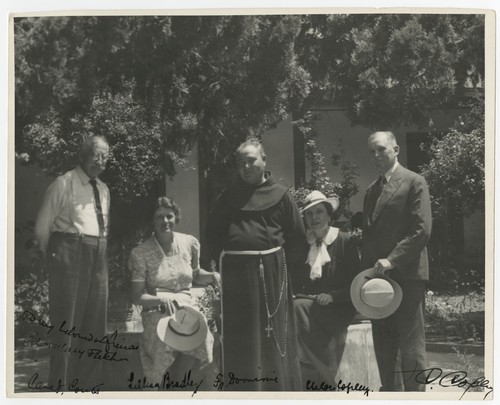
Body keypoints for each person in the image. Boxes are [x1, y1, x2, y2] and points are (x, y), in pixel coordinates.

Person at [205, 138, 306, 391]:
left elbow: (297, 241)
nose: (246, 166)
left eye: (251, 161)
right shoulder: (227, 199)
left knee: (273, 341)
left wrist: (279, 270)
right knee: (242, 342)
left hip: (273, 277)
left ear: (264, 160)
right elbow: (212, 239)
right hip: (236, 280)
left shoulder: (282, 196)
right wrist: (215, 275)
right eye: (240, 163)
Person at [34, 135, 111, 389]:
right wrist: (57, 263)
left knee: (94, 326)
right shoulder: (64, 183)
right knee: (67, 326)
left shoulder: (103, 189)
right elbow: (43, 228)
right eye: (96, 154)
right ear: (83, 155)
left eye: (105, 156)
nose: (101, 160)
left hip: (98, 253)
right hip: (69, 253)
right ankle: (61, 389)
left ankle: (87, 388)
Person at [362, 131, 432, 391]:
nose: (376, 156)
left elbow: (421, 230)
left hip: (407, 275)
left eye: (381, 149)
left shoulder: (414, 182)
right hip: (379, 280)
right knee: (384, 345)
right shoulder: (372, 190)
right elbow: (368, 235)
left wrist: (392, 260)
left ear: (396, 149)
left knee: (411, 346)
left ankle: (416, 397)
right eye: (372, 152)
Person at [129, 197, 219, 389]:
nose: (165, 221)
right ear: (152, 221)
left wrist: (213, 276)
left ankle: (180, 383)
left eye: (169, 216)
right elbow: (137, 296)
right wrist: (160, 299)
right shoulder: (141, 253)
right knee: (165, 341)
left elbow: (195, 275)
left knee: (200, 334)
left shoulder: (189, 243)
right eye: (159, 217)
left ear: (176, 217)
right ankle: (165, 388)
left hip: (187, 307)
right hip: (156, 310)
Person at [294, 191, 360, 388]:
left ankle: (326, 379)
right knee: (295, 306)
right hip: (312, 304)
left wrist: (332, 296)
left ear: (329, 215)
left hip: (338, 306)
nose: (314, 218)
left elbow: (356, 284)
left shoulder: (345, 241)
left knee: (298, 308)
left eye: (319, 212)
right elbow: (299, 282)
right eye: (309, 214)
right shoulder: (303, 244)